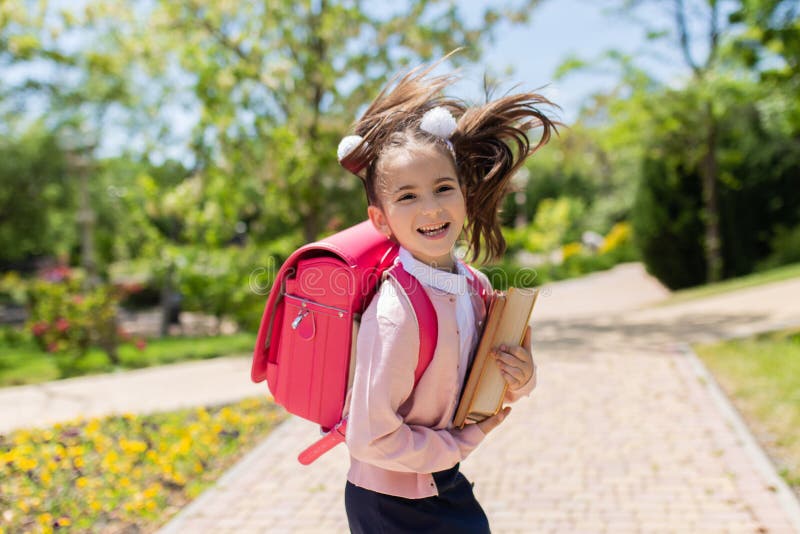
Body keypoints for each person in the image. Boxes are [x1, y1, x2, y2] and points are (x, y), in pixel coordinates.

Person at [337, 57, 558, 533]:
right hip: (388, 502)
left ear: (464, 194)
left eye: (442, 188)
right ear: (380, 219)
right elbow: (370, 439)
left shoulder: (475, 287)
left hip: (441, 482)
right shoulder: (396, 312)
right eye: (408, 196)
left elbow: (482, 380)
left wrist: (521, 378)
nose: (432, 208)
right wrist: (460, 443)